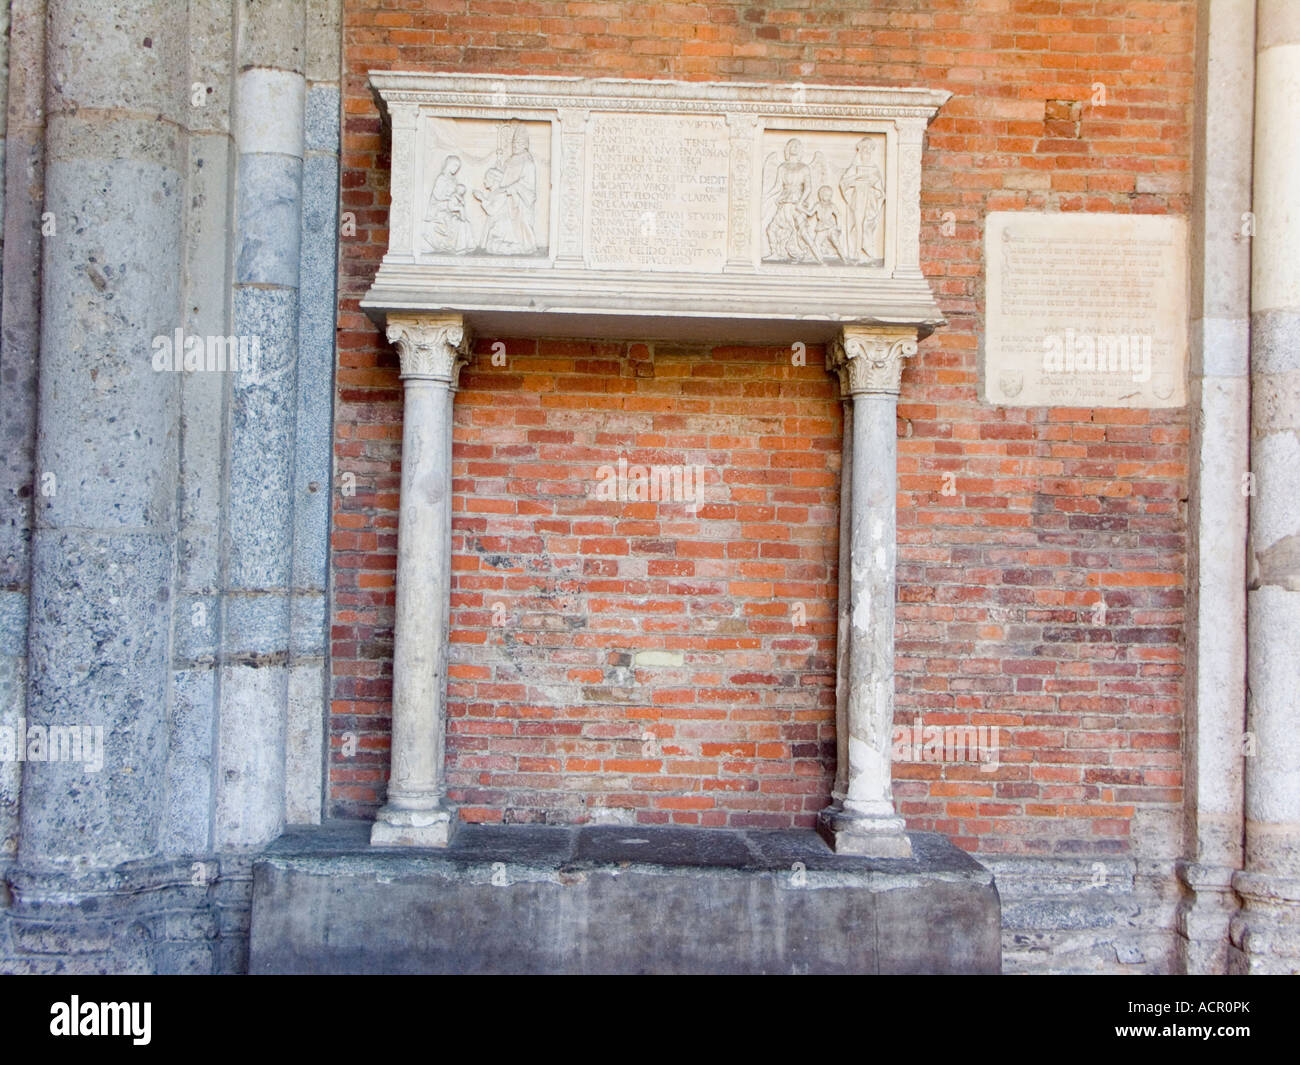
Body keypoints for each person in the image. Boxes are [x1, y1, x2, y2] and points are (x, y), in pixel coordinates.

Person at [839, 137, 885, 263]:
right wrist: (858, 178)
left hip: (870, 199)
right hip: (858, 197)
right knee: (857, 223)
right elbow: (844, 182)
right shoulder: (855, 167)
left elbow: (880, 188)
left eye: (869, 149)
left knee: (868, 222)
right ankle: (856, 251)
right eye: (864, 148)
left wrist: (872, 184)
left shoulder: (874, 168)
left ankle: (867, 249)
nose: (867, 151)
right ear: (860, 150)